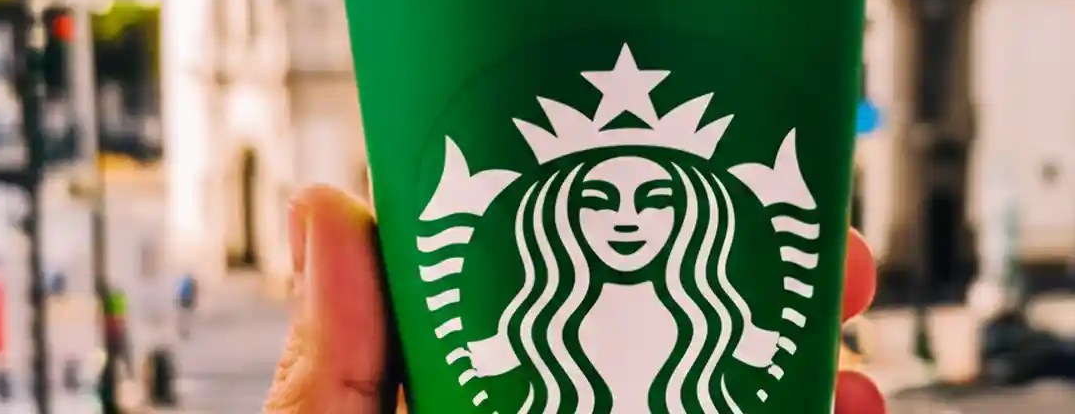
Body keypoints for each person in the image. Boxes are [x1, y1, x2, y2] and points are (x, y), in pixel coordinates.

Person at [264, 185, 888, 414]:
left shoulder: (738, 335)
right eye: (598, 201)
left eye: (655, 200)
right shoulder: (513, 342)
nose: (626, 221)